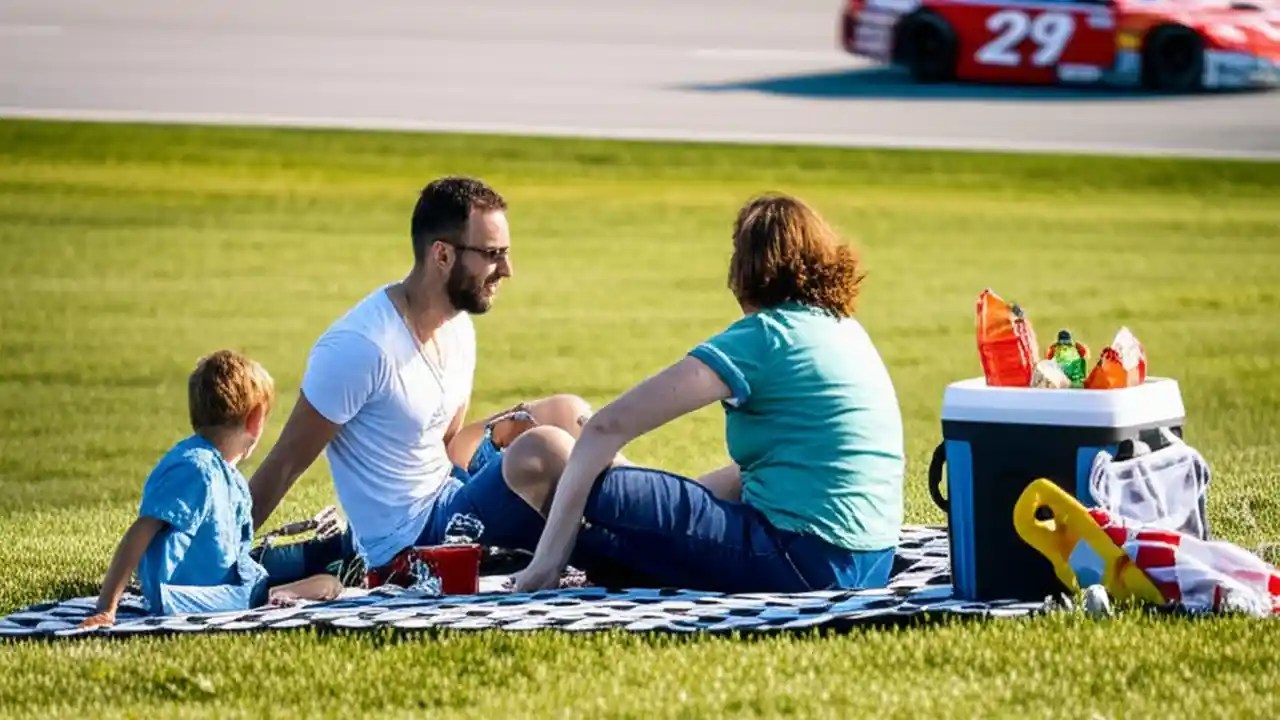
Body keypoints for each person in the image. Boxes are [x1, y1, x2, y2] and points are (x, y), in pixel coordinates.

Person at [511, 192, 906, 594]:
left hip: (800, 561)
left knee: (588, 480)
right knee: (635, 517)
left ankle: (547, 560)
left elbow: (605, 427)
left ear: (746, 268)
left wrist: (547, 562)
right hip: (870, 561)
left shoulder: (767, 336)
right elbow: (754, 474)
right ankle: (626, 564)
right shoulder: (841, 329)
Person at [247, 176, 602, 582]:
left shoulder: (458, 328)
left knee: (565, 412)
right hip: (411, 543)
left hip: (448, 492)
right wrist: (222, 558)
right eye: (492, 254)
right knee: (543, 448)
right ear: (443, 255)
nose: (507, 269)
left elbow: (447, 445)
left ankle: (659, 514)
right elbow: (285, 463)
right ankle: (647, 537)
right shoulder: (359, 347)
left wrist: (511, 431)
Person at [79, 351, 342, 628]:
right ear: (255, 420)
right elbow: (140, 531)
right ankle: (273, 595)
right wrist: (107, 608)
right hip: (186, 598)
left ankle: (292, 578)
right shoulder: (194, 469)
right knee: (325, 586)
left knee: (327, 582)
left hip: (225, 582)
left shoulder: (227, 475)